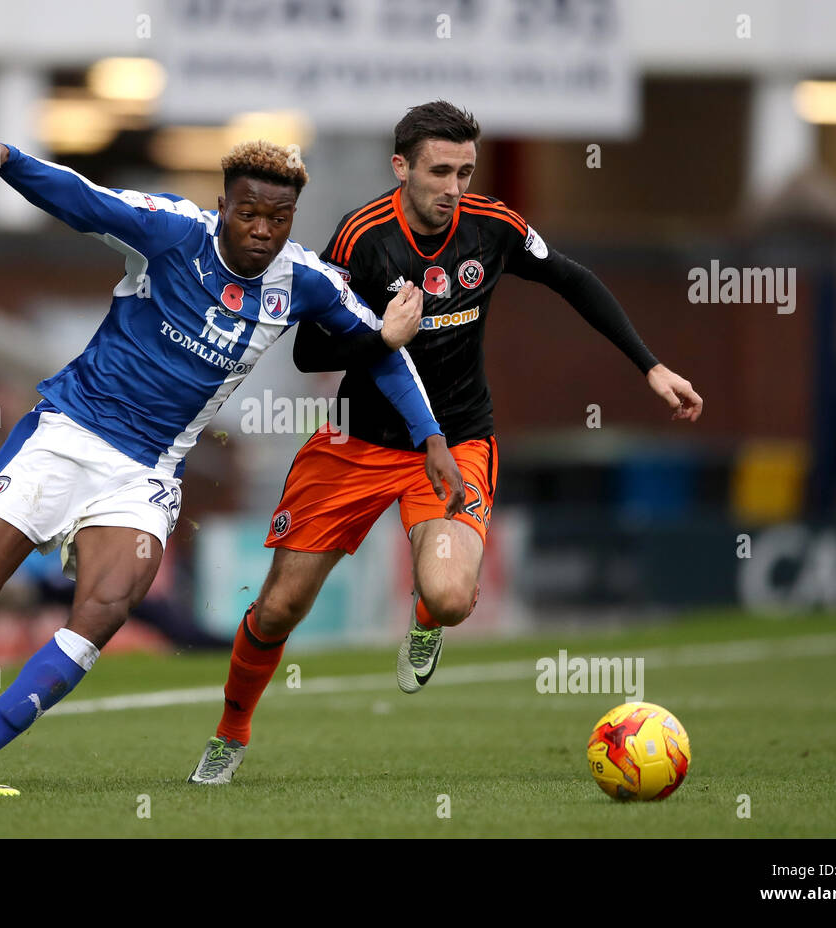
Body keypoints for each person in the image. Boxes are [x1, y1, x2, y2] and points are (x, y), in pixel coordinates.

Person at [0, 135, 466, 796]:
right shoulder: (170, 231)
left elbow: (380, 350)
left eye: (278, 220)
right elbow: (82, 200)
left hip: (147, 473)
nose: (262, 232)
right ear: (223, 205)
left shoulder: (302, 280)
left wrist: (431, 436)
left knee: (105, 607)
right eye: (249, 214)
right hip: (69, 434)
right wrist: (8, 160)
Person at [188, 101, 703, 785]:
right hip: (357, 444)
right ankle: (230, 734)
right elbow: (311, 348)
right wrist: (381, 339)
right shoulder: (363, 239)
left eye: (464, 170)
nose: (453, 186)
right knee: (280, 606)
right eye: (439, 170)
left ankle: (427, 619)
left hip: (456, 442)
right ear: (401, 167)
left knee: (453, 595)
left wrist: (651, 365)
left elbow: (572, 280)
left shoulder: (493, 228)